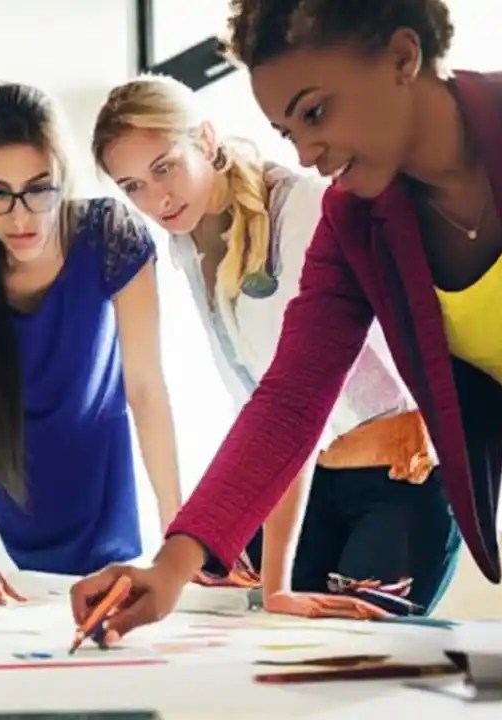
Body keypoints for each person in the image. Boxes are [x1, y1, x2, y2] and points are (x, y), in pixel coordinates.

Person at [71, 5, 502, 711]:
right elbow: (288, 400)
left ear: (403, 57)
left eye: (315, 112)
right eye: (288, 130)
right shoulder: (352, 220)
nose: (306, 153)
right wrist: (171, 567)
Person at [91, 74, 460, 618]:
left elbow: (298, 396)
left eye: (164, 167)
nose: (156, 198)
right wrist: (266, 583)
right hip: (303, 486)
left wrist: (276, 583)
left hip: (397, 483)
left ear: (207, 140)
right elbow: (267, 409)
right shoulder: (184, 246)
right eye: (132, 185)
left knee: (347, 660)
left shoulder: (307, 208)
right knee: (243, 638)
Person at [0, 81, 182, 603]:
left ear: (65, 177)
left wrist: (183, 536)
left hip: (109, 521)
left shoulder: (110, 235)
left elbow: (146, 390)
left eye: (39, 189)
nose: (20, 217)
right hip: (5, 534)